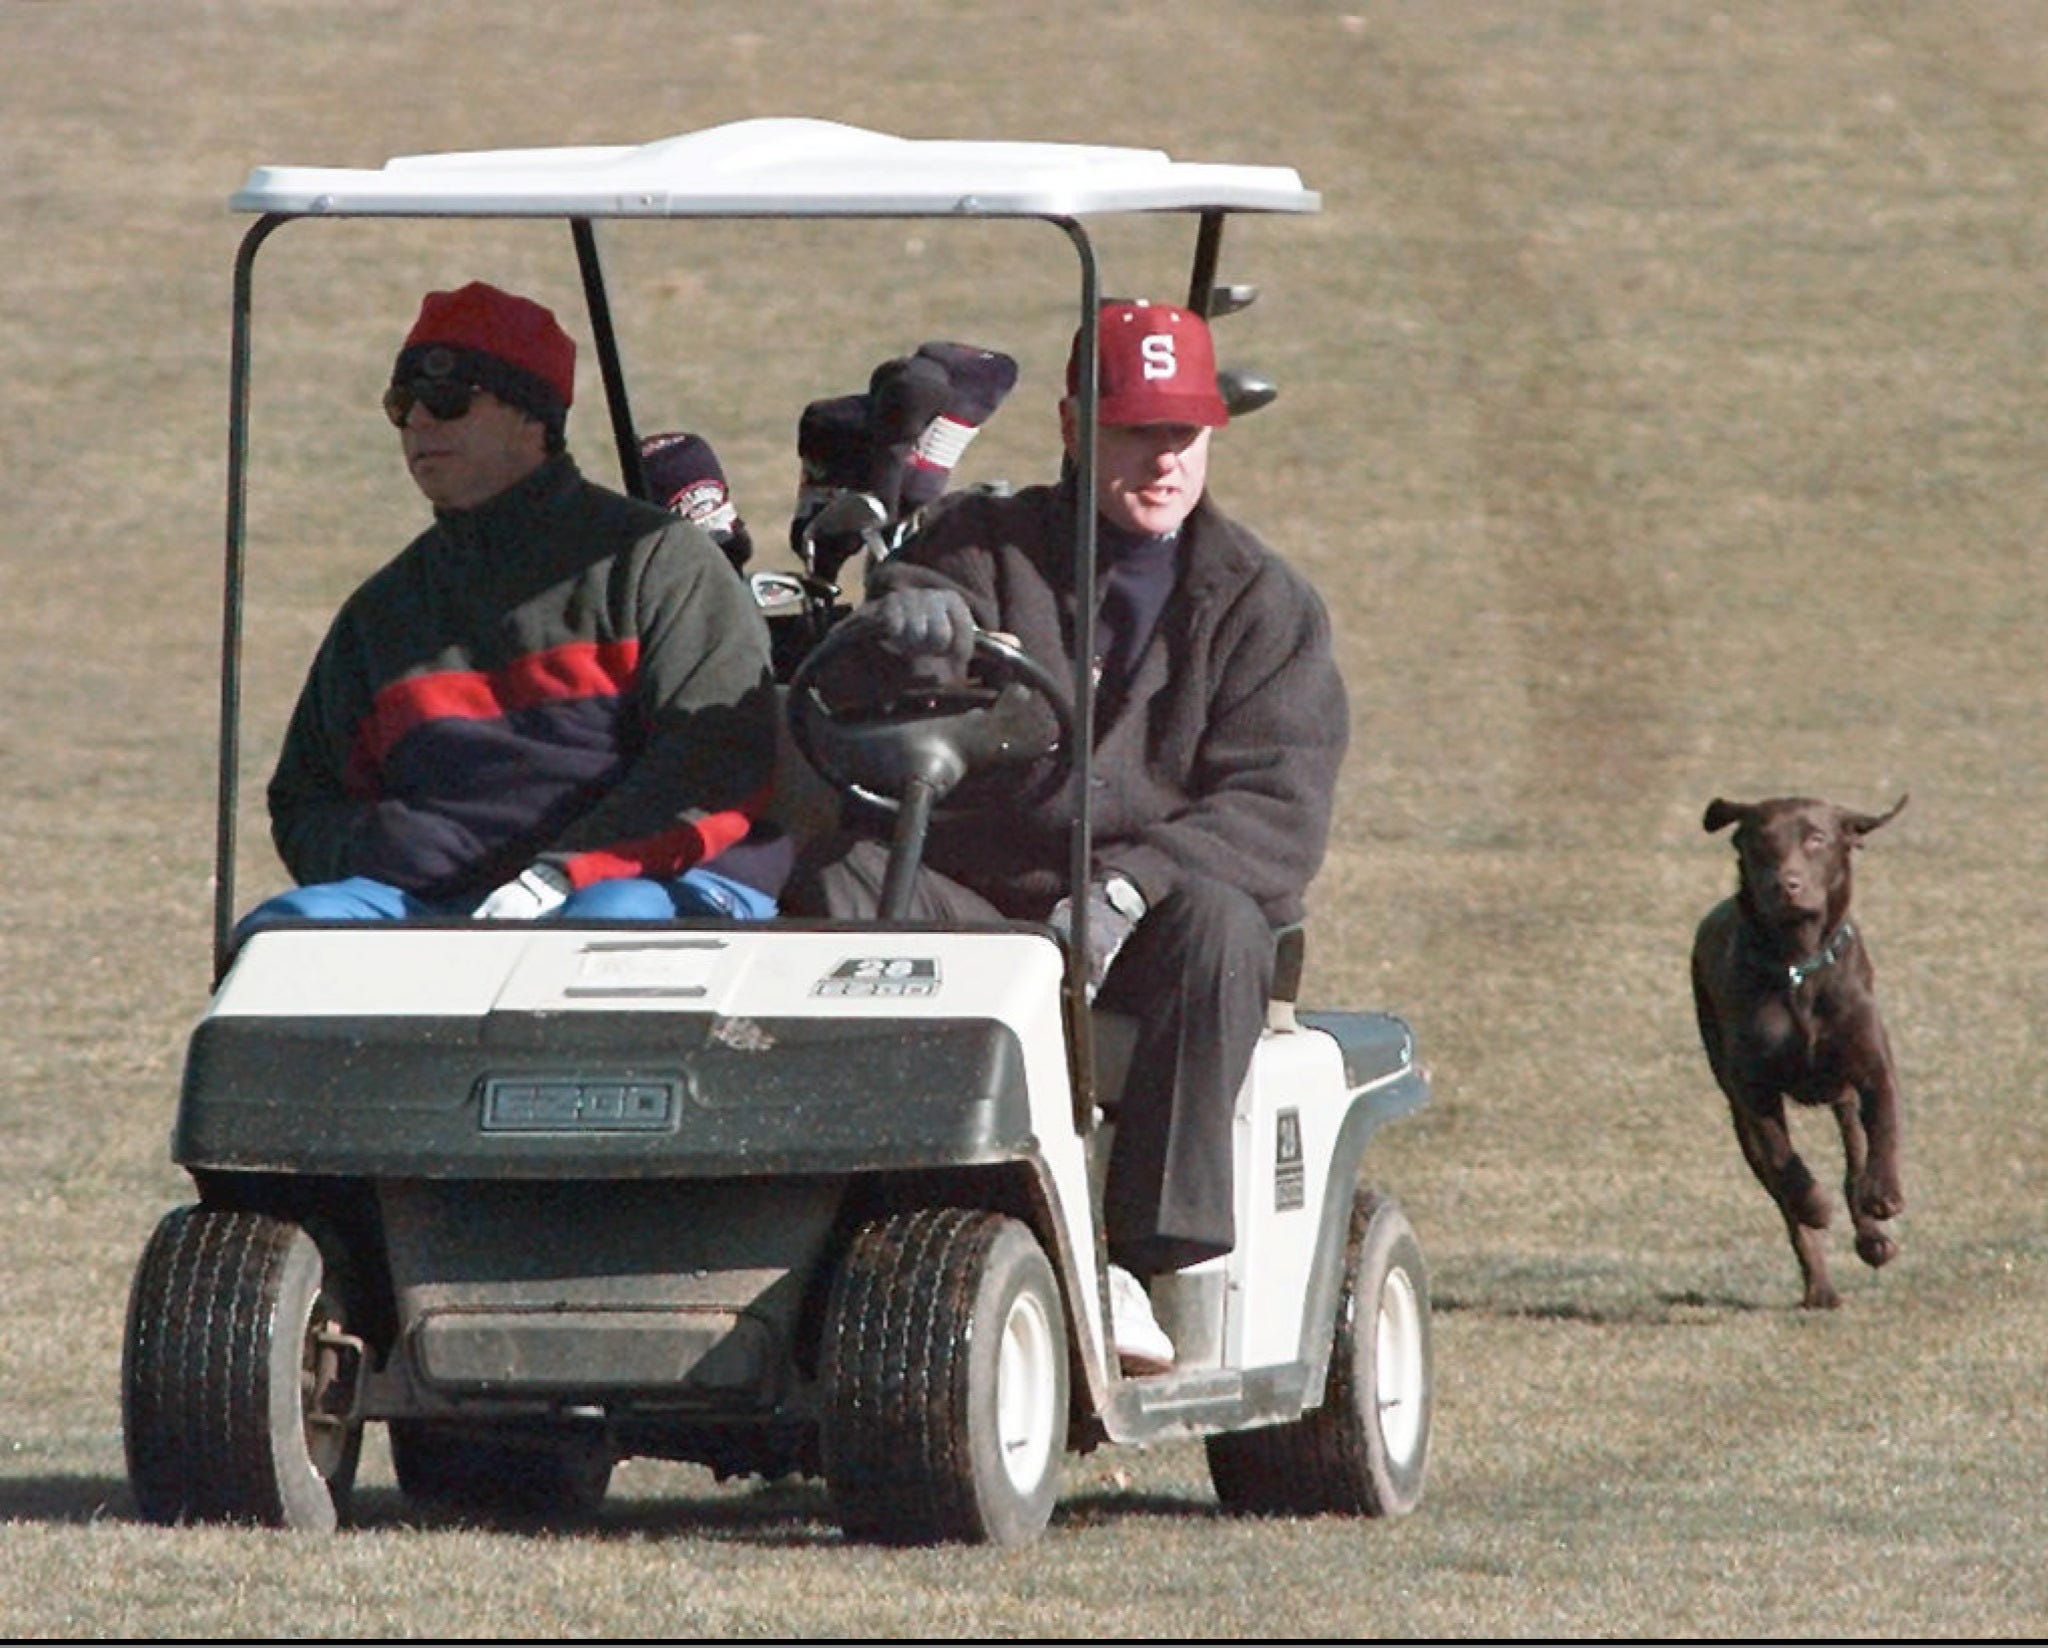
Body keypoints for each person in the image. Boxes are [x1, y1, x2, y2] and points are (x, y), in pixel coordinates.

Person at [785, 300, 1349, 1373]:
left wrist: (1123, 892)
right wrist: (903, 633)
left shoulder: (1264, 604)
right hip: (989, 908)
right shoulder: (976, 548)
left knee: (1222, 921)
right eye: (1137, 430)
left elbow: (1275, 811)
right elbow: (872, 688)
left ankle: (1135, 1257)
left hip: (1153, 936)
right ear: (1073, 426)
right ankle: (866, 1206)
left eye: (1183, 433)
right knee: (844, 874)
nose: (1164, 458)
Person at [245, 280, 786, 932]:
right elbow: (307, 799)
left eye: (448, 401)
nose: (418, 423)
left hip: (653, 877)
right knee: (288, 934)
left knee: (604, 928)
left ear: (533, 419)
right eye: (402, 404)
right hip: (442, 899)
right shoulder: (384, 611)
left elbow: (718, 759)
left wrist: (564, 872)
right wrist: (387, 848)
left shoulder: (654, 562)